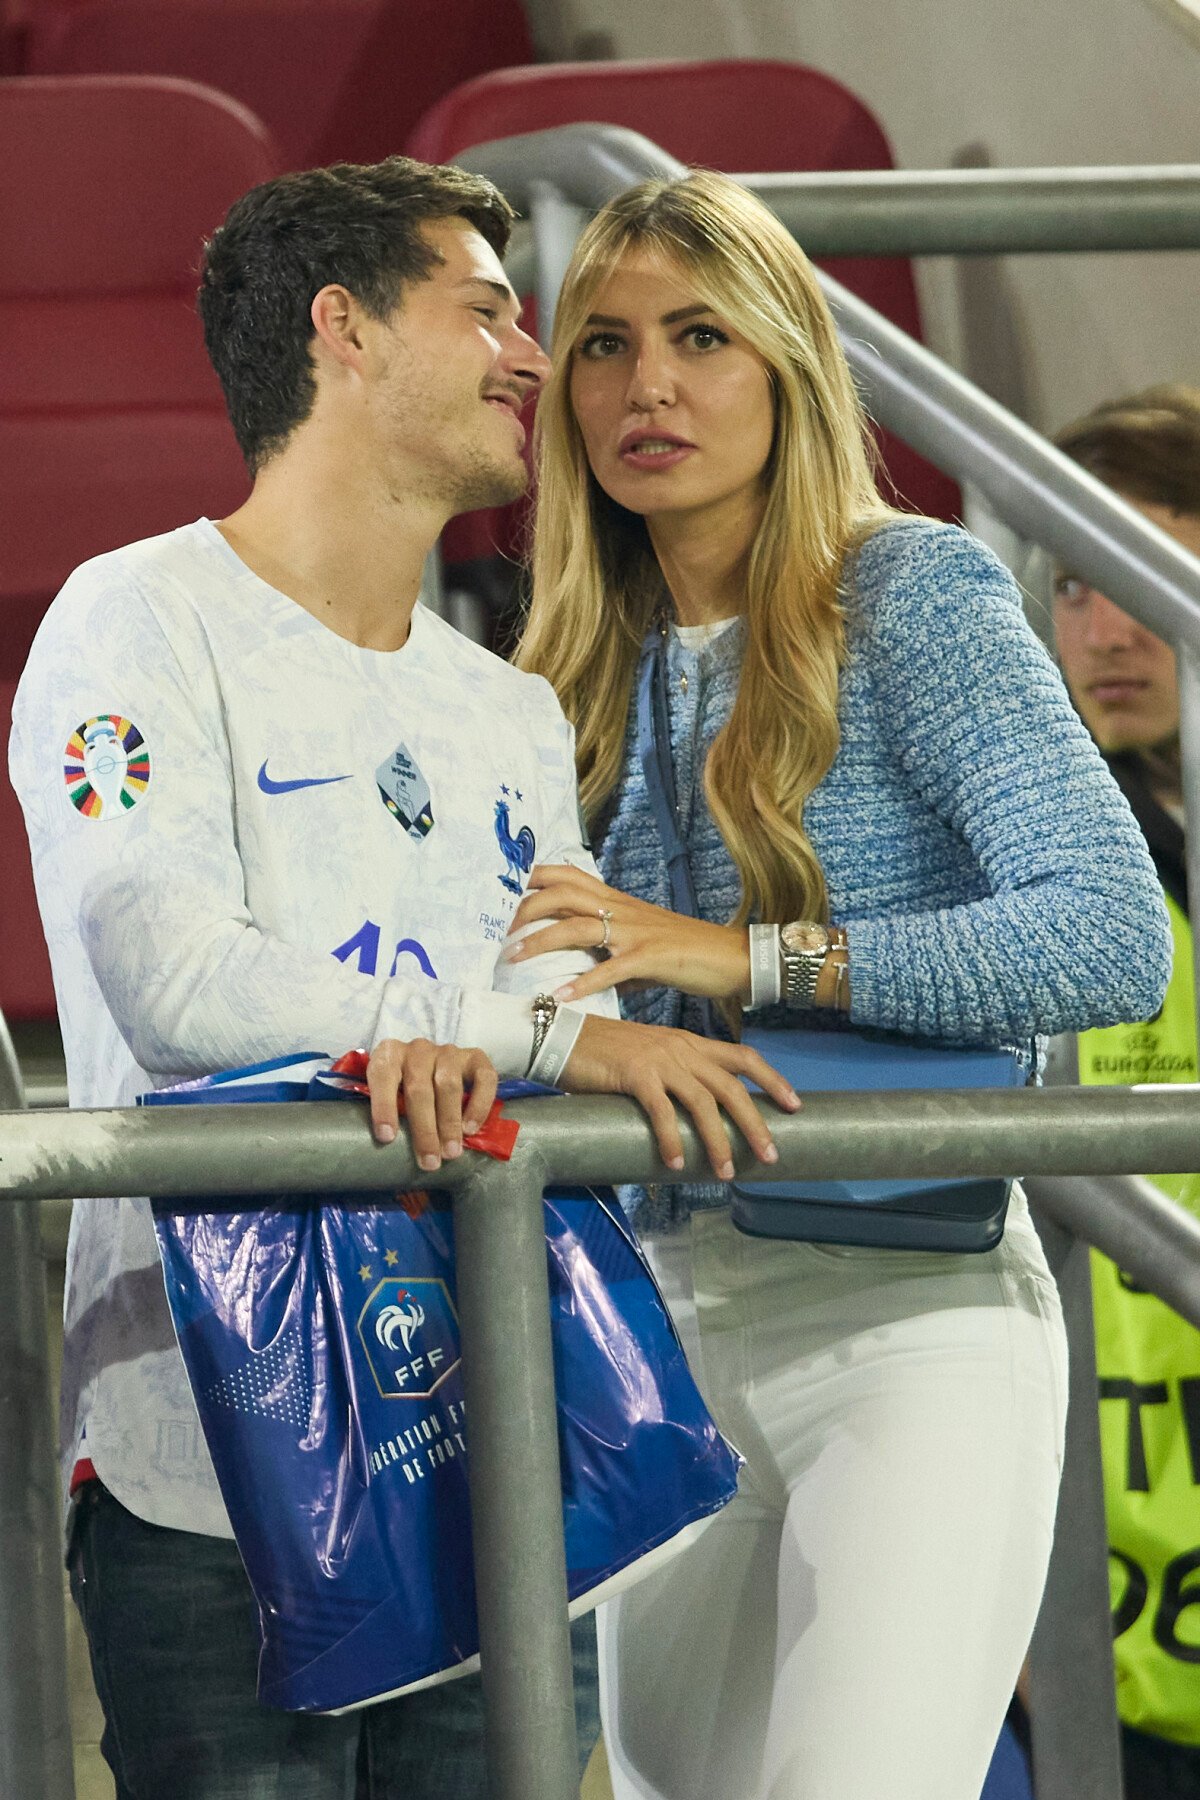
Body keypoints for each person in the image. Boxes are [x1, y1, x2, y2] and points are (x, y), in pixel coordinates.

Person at [7, 156, 799, 1800]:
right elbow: (173, 980)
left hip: (505, 1435)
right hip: (212, 1465)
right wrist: (496, 1038)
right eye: (488, 310)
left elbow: (554, 1034)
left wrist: (552, 1038)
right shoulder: (129, 622)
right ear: (343, 328)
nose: (535, 359)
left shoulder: (508, 710)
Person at [509, 170, 1173, 1800]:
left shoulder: (914, 597)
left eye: (698, 335)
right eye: (600, 344)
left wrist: (753, 957)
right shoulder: (548, 667)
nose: (646, 385)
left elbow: (1107, 929)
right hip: (651, 1332)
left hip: (910, 1312)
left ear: (791, 365)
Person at [1052, 385, 1200, 1800]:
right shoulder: (1028, 866)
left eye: (1152, 573)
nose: (1109, 630)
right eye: (1076, 587)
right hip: (1101, 1536)